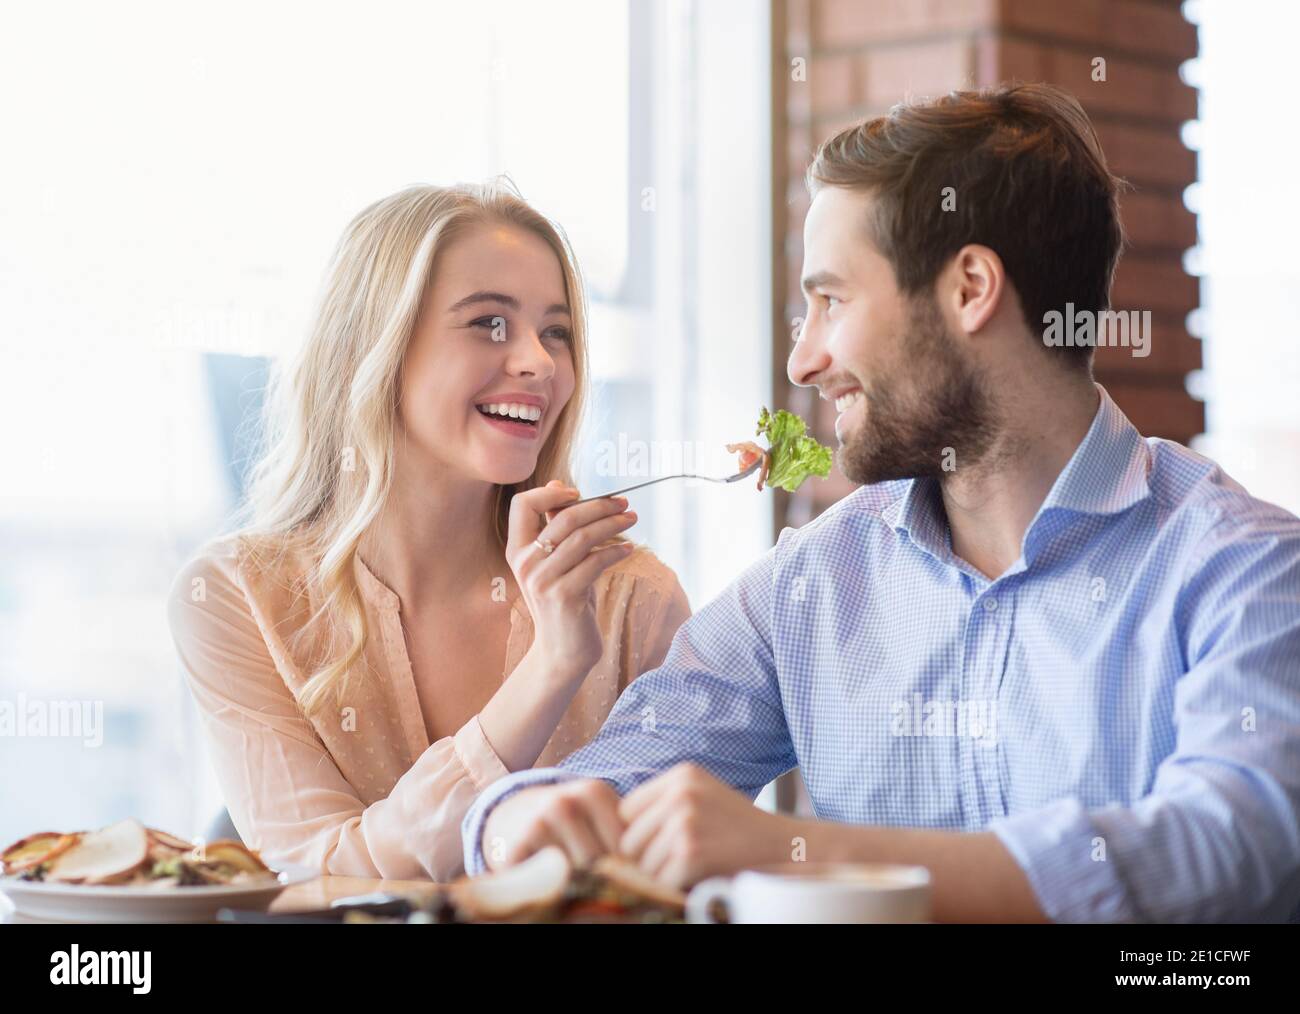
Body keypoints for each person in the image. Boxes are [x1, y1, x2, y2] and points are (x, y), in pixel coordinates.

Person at [461, 85, 1300, 923]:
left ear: (971, 287)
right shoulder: (811, 583)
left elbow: (1233, 846)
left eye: (831, 301)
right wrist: (521, 818)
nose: (803, 362)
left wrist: (795, 854)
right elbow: (599, 787)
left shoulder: (1246, 566)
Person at [167, 181, 689, 881]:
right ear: (373, 349)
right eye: (490, 324)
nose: (538, 360)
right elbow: (317, 882)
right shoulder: (235, 599)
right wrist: (551, 667)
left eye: (556, 331)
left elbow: (663, 879)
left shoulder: (632, 602)